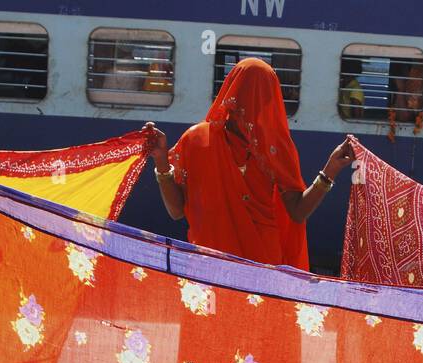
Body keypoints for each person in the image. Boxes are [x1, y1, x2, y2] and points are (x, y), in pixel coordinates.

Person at [145, 57, 354, 270]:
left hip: (257, 267)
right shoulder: (197, 139)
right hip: (211, 265)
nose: (253, 106)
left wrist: (331, 169)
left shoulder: (275, 148)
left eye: (260, 99)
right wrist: (161, 161)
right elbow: (177, 210)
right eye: (249, 98)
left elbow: (297, 212)